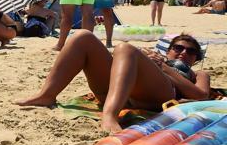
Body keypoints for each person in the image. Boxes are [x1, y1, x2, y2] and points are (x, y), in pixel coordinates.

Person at [16, 32, 210, 133]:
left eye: (191, 52)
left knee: (125, 48)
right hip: (120, 90)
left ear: (196, 58)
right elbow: (120, 61)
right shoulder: (155, 57)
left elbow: (201, 95)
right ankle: (47, 94)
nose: (184, 53)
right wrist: (144, 57)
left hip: (159, 96)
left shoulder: (198, 73)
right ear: (169, 50)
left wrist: (164, 68)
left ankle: (110, 115)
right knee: (84, 37)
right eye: (178, 48)